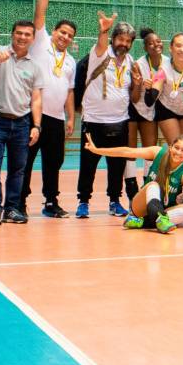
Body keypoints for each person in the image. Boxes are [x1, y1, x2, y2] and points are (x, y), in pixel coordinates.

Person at [20, 0, 77, 218]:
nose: (65, 37)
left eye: (70, 35)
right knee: (26, 160)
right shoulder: (40, 42)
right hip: (35, 115)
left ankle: (51, 202)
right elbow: (40, 13)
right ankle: (18, 202)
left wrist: (71, 117)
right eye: (62, 32)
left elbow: (69, 90)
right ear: (53, 32)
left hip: (56, 119)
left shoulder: (71, 61)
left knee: (54, 163)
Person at [76, 12, 143, 219]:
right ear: (113, 39)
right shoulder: (100, 55)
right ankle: (83, 202)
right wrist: (104, 30)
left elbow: (133, 97)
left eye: (127, 41)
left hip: (120, 122)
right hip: (94, 121)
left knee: (117, 166)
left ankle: (115, 201)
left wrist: (138, 84)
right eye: (120, 39)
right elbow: (101, 43)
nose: (123, 43)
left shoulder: (131, 62)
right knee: (88, 164)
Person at [83, 134, 183, 234]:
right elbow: (128, 151)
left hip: (163, 212)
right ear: (170, 147)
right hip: (140, 207)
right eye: (176, 148)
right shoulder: (158, 153)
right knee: (153, 185)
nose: (178, 152)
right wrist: (97, 150)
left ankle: (143, 223)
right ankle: (153, 219)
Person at [0, 21, 43, 225]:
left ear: (33, 39)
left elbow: (36, 99)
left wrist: (36, 126)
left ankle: (11, 209)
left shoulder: (34, 66)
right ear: (12, 34)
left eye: (27, 34)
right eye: (19, 33)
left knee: (18, 169)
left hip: (22, 123)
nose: (23, 37)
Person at [123, 28, 165, 201]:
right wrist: (139, 85)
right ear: (145, 47)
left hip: (151, 110)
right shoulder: (138, 64)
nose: (155, 44)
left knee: (150, 151)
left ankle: (148, 186)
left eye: (158, 41)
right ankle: (131, 189)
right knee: (131, 152)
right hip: (134, 108)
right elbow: (134, 97)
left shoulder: (166, 64)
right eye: (150, 43)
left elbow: (157, 94)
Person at [144, 32, 183, 145]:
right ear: (171, 48)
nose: (182, 49)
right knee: (177, 146)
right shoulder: (163, 69)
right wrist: (148, 90)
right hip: (167, 110)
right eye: (178, 45)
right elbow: (149, 101)